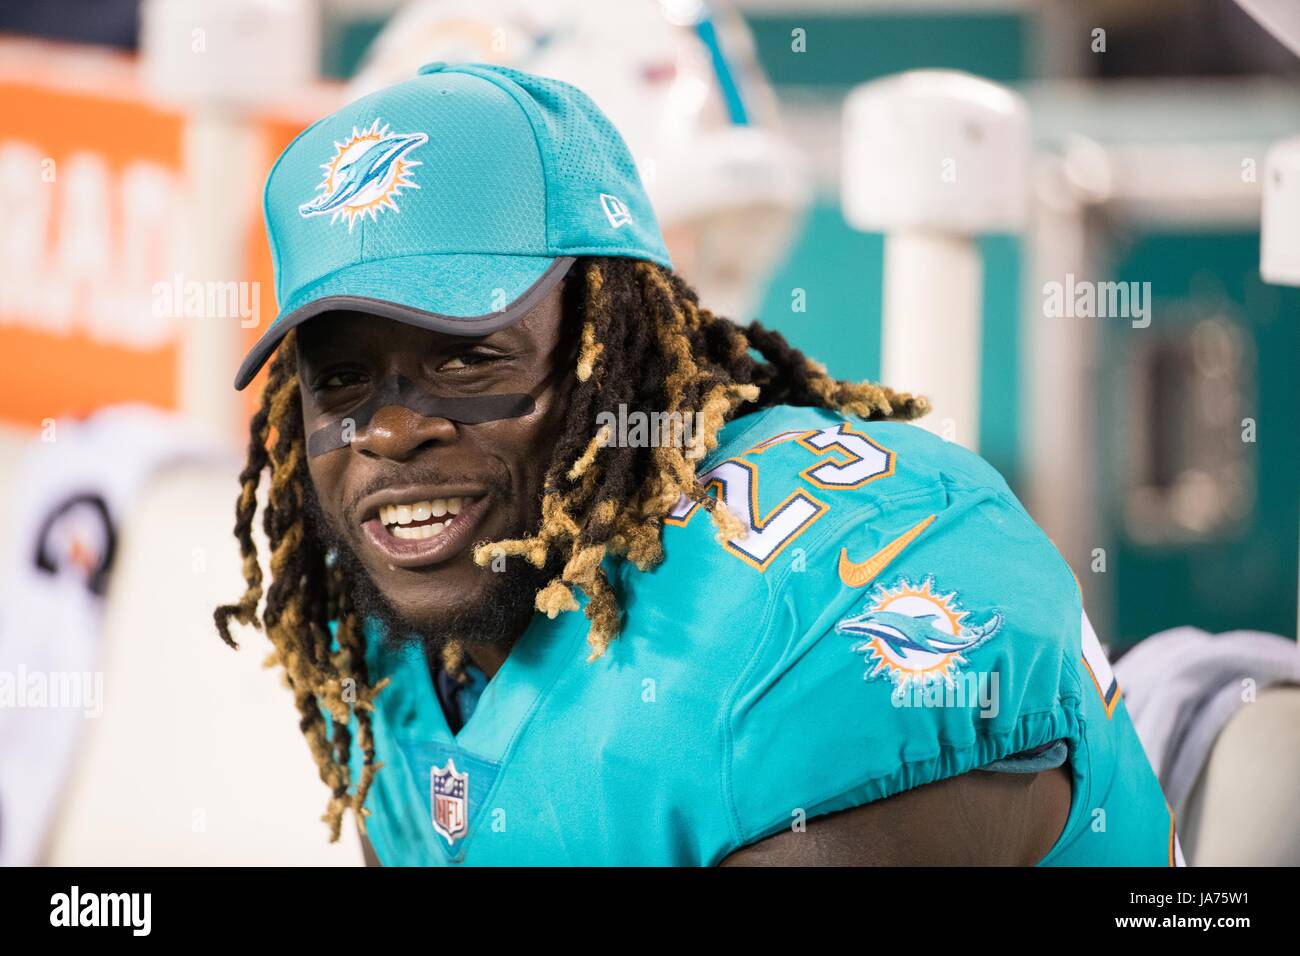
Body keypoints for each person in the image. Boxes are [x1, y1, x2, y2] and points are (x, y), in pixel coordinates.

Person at [215, 62, 1176, 866]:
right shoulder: (393, 643)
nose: (389, 434)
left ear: (611, 343)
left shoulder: (792, 648)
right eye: (341, 379)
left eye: (468, 359)